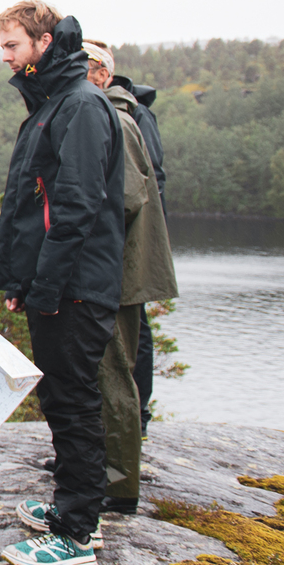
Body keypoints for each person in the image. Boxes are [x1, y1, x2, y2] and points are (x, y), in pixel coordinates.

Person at [0, 2, 125, 565]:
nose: (5, 57)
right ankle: (76, 507)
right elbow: (30, 203)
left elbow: (74, 209)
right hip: (56, 286)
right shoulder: (54, 103)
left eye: (13, 46)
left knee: (73, 402)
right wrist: (21, 282)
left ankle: (77, 535)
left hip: (75, 287)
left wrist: (44, 287)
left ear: (44, 43)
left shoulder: (82, 106)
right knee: (63, 398)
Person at [82, 40, 177, 513]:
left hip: (118, 264)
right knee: (112, 362)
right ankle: (103, 464)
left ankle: (116, 480)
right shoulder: (113, 113)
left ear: (101, 72)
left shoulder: (123, 118)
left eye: (81, 69)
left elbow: (134, 192)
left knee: (118, 365)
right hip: (115, 262)